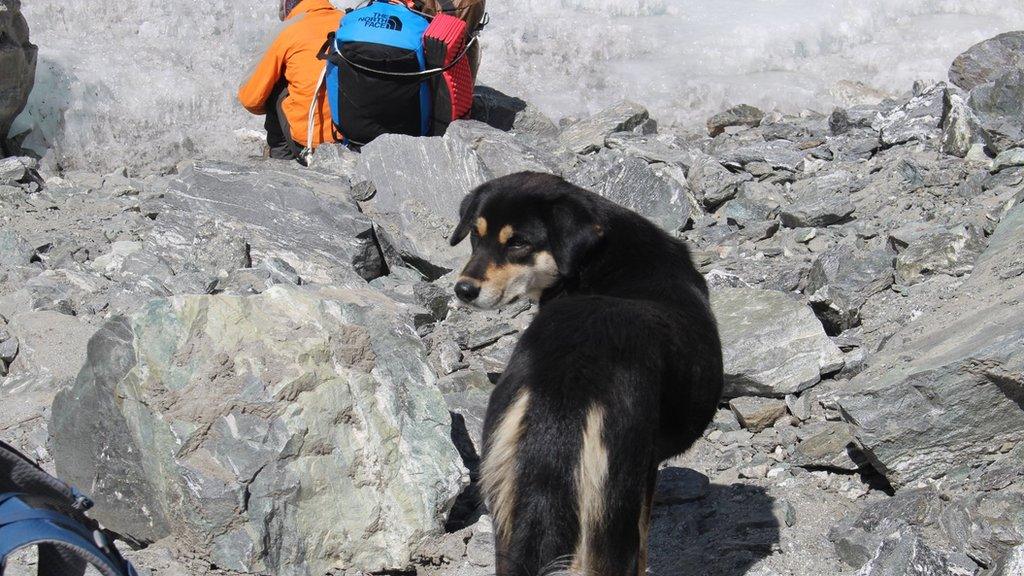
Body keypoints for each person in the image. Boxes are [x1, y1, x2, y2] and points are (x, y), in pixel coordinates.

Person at [238, 0, 343, 161]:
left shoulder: (289, 29)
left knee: (276, 85)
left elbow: (250, 99)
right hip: (353, 136)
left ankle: (281, 162)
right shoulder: (348, 21)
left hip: (308, 142)